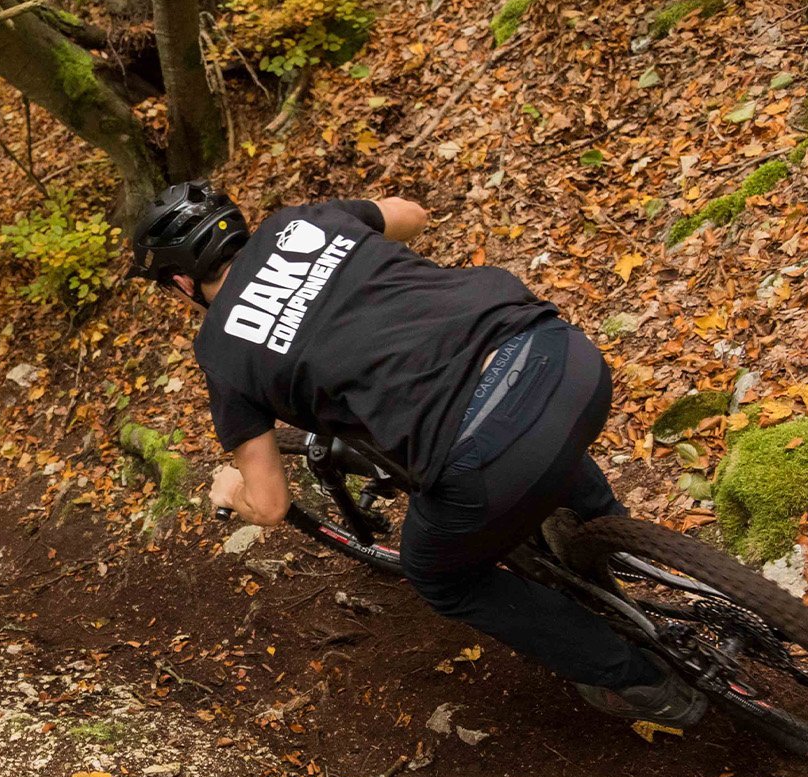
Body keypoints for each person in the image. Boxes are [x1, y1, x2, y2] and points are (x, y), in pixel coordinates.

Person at [129, 180, 706, 727]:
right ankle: (628, 561)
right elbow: (411, 214)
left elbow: (273, 503)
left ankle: (639, 680)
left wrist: (232, 490)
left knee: (441, 576)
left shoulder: (222, 349)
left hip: (488, 448)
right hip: (560, 354)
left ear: (182, 283)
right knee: (529, 424)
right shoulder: (300, 223)